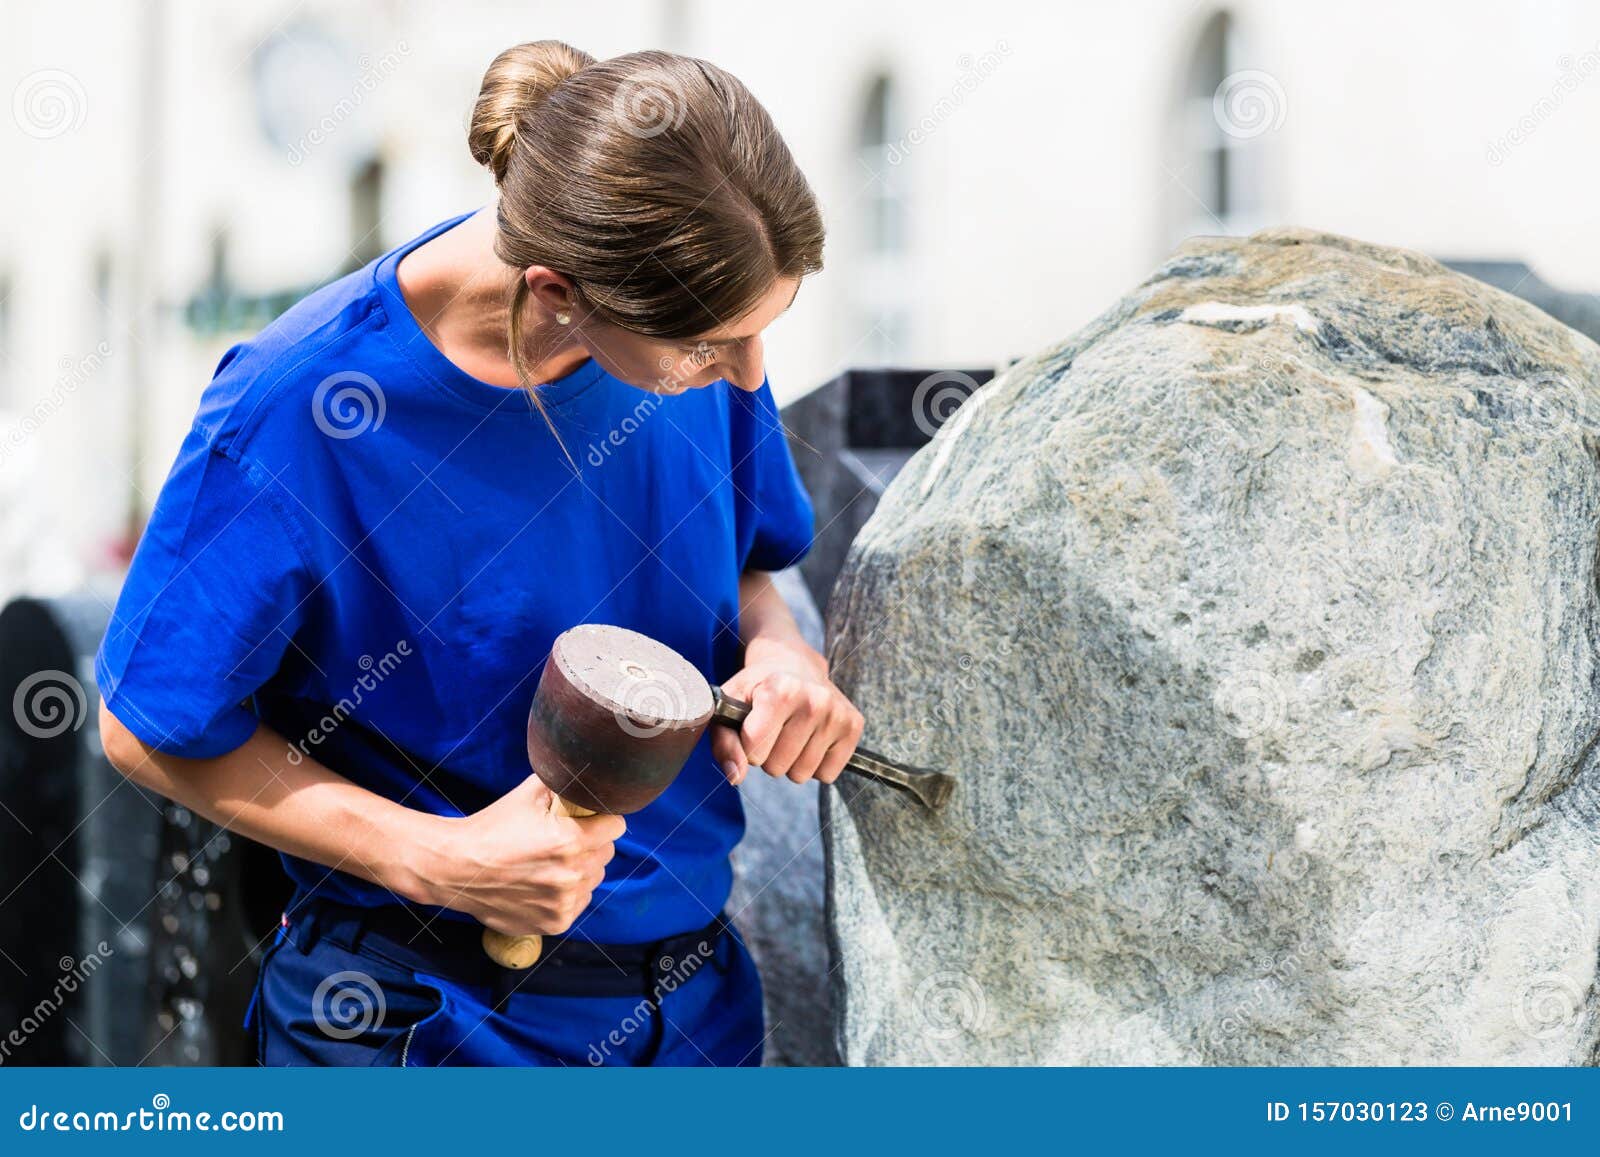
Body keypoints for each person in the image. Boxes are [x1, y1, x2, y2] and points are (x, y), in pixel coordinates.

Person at [95, 40, 861, 1067]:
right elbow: (144, 727)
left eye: (764, 329)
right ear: (556, 291)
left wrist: (783, 656)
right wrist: (440, 859)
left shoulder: (686, 345)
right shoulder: (297, 409)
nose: (747, 373)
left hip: (693, 1011)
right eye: (712, 345)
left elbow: (748, 563)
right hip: (415, 1021)